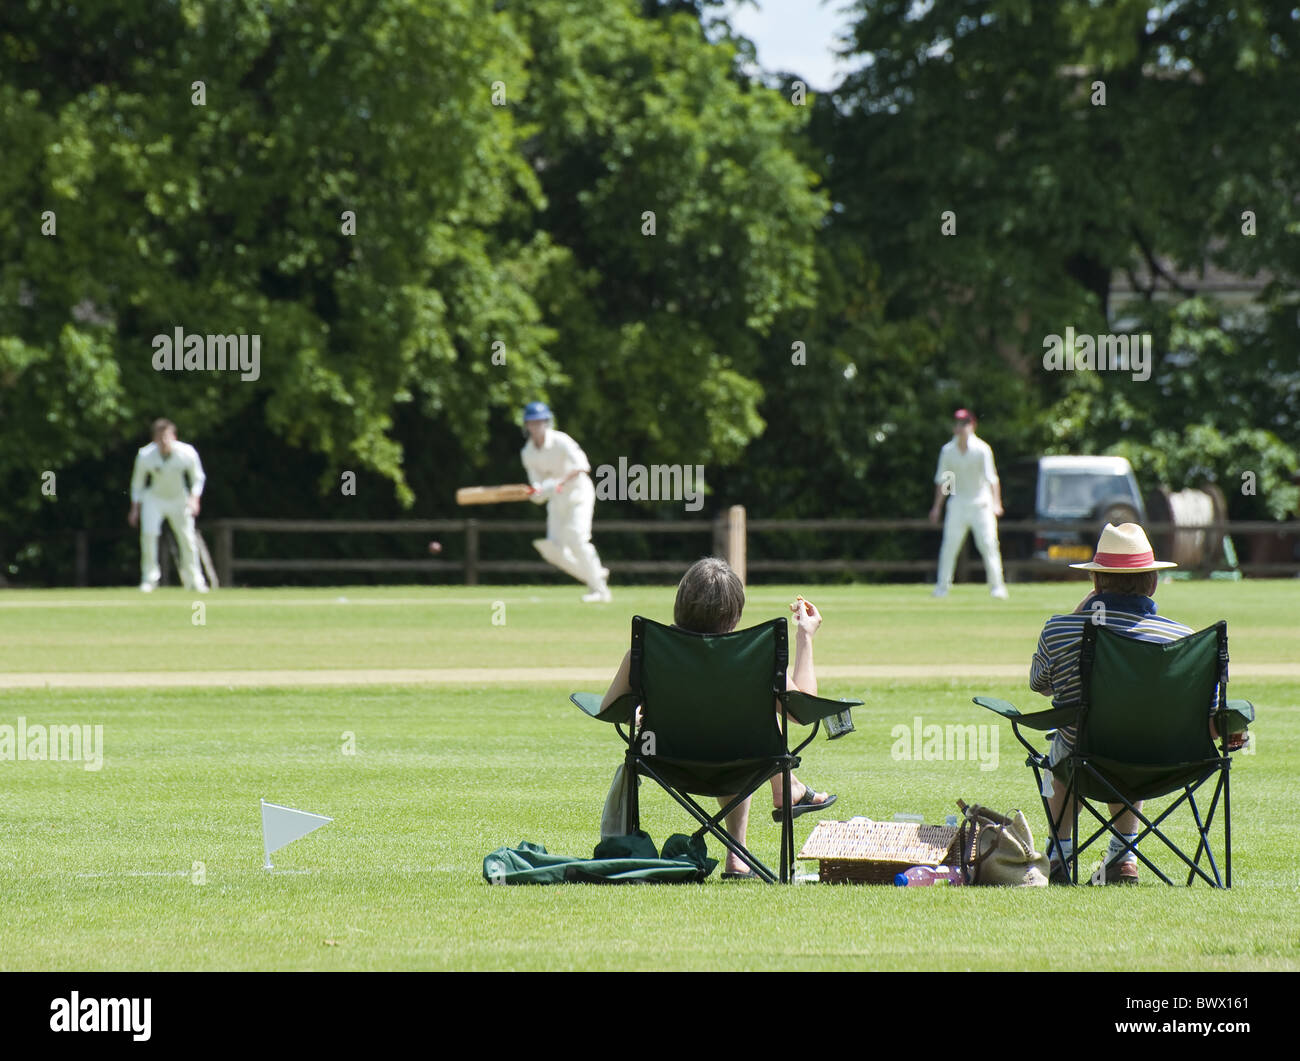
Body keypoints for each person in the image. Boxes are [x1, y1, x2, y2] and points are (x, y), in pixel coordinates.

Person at [599, 557, 836, 879]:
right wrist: (804, 638)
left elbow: (610, 709)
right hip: (745, 762)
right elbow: (802, 710)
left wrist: (638, 712)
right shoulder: (755, 657)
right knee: (737, 733)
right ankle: (753, 834)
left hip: (665, 761)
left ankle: (771, 813)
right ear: (735, 611)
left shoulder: (649, 649)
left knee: (726, 731)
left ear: (681, 602)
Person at [1030, 522, 1189, 884]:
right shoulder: (1181, 638)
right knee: (1133, 733)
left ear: (1096, 583)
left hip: (1081, 761)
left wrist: (1077, 613)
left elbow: (1039, 684)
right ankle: (1123, 854)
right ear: (1152, 582)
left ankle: (1060, 853)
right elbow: (1209, 715)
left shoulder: (1061, 629)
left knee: (1064, 739)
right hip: (1158, 763)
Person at [520, 401, 611, 603]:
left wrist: (557, 482)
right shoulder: (528, 453)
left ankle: (600, 590)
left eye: (540, 422)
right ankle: (595, 574)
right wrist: (539, 492)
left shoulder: (561, 441)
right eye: (532, 423)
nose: (536, 427)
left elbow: (582, 466)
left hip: (579, 494)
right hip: (556, 500)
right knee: (552, 549)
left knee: (577, 539)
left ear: (547, 422)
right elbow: (537, 490)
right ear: (526, 425)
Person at [929, 408, 1008, 599]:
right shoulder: (948, 451)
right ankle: (942, 587)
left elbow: (992, 478)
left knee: (988, 544)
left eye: (965, 423)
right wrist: (937, 507)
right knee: (949, 546)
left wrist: (996, 503)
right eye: (958, 423)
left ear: (972, 425)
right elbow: (945, 481)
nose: (961, 427)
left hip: (981, 504)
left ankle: (997, 587)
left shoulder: (982, 449)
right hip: (958, 503)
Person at [128, 418, 208, 592]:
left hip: (180, 499)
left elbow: (197, 478)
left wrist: (194, 499)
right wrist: (135, 509)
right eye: (160, 438)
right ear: (154, 438)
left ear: (174, 436)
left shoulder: (187, 452)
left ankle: (194, 580)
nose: (163, 442)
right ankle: (149, 579)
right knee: (149, 535)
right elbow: (137, 484)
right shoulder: (145, 455)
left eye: (166, 437)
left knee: (187, 539)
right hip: (154, 499)